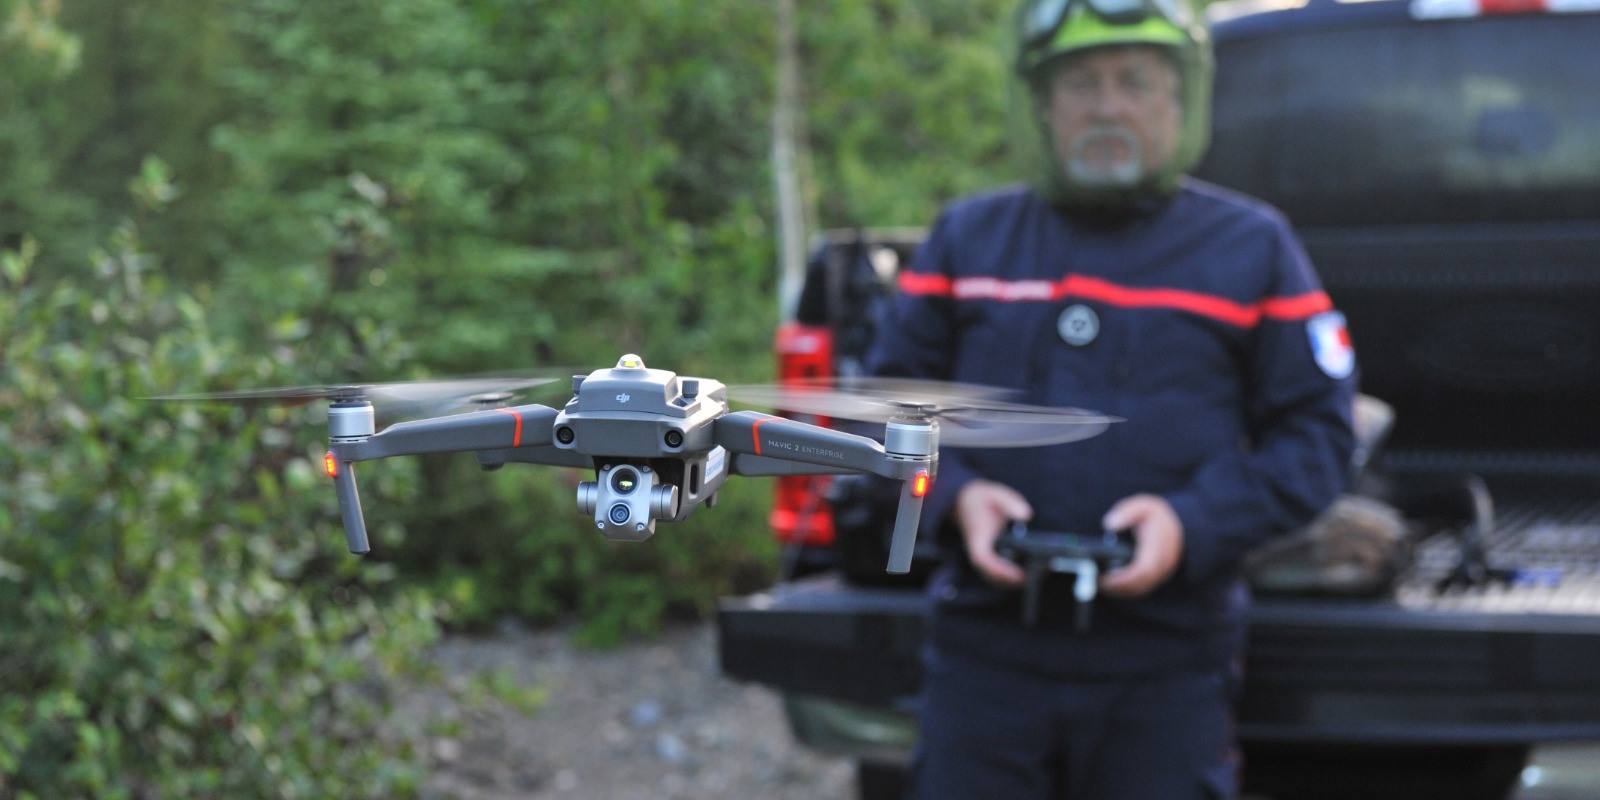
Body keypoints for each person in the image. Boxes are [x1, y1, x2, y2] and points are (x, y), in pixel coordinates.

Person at [864, 0, 1359, 797]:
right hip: (984, 656)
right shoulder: (967, 240)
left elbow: (1319, 436)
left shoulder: (1254, 247)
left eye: (1136, 81)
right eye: (1081, 83)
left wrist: (1190, 524)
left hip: (1168, 662)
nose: (1107, 106)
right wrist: (954, 498)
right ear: (1044, 104)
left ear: (1179, 100)